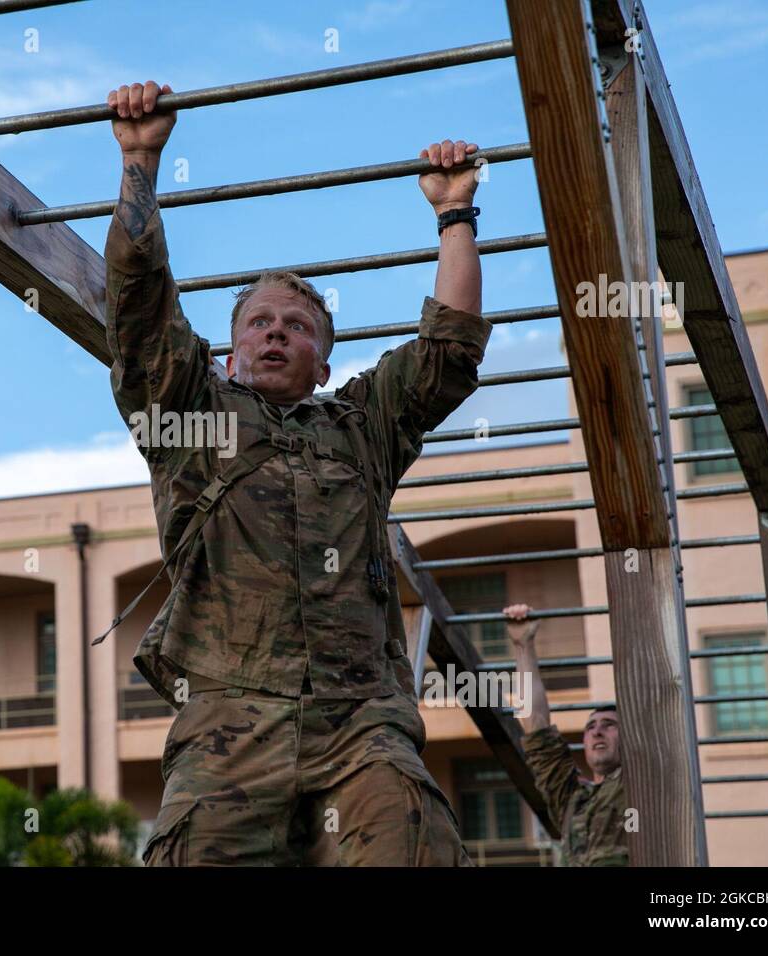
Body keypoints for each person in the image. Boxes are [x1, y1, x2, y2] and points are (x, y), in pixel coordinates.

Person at [99, 79, 490, 866]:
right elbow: (140, 310)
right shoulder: (190, 414)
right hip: (229, 722)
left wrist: (453, 213)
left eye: (298, 326)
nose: (277, 333)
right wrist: (141, 160)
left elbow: (449, 352)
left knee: (413, 838)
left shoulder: (359, 425)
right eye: (259, 322)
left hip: (361, 720)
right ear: (229, 350)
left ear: (324, 360)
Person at [505, 603, 629, 866]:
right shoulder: (573, 798)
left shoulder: (638, 784)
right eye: (590, 727)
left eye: (609, 724)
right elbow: (535, 727)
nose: (597, 731)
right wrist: (523, 644)